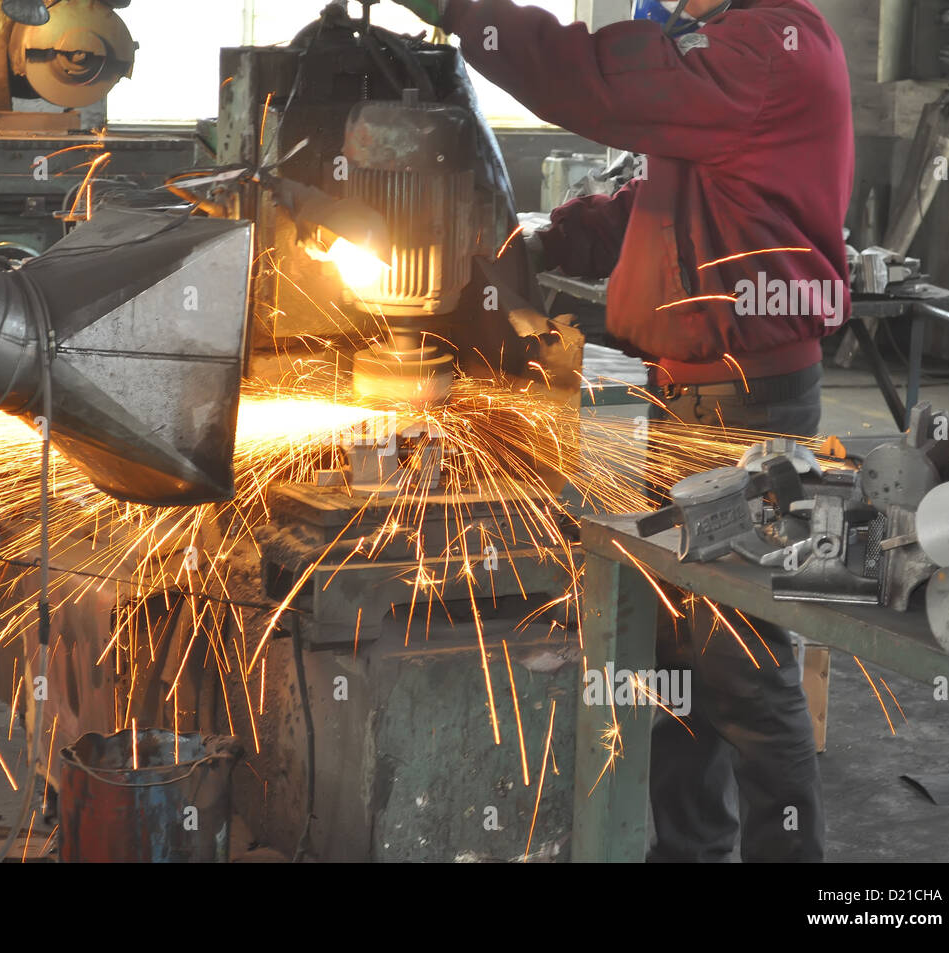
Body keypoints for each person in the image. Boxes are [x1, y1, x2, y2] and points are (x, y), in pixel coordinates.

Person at [391, 0, 854, 861]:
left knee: (745, 671)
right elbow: (673, 194)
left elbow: (600, 80)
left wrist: (466, 13)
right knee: (675, 661)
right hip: (687, 401)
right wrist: (562, 235)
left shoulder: (769, 49)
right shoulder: (738, 53)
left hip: (743, 414)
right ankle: (688, 853)